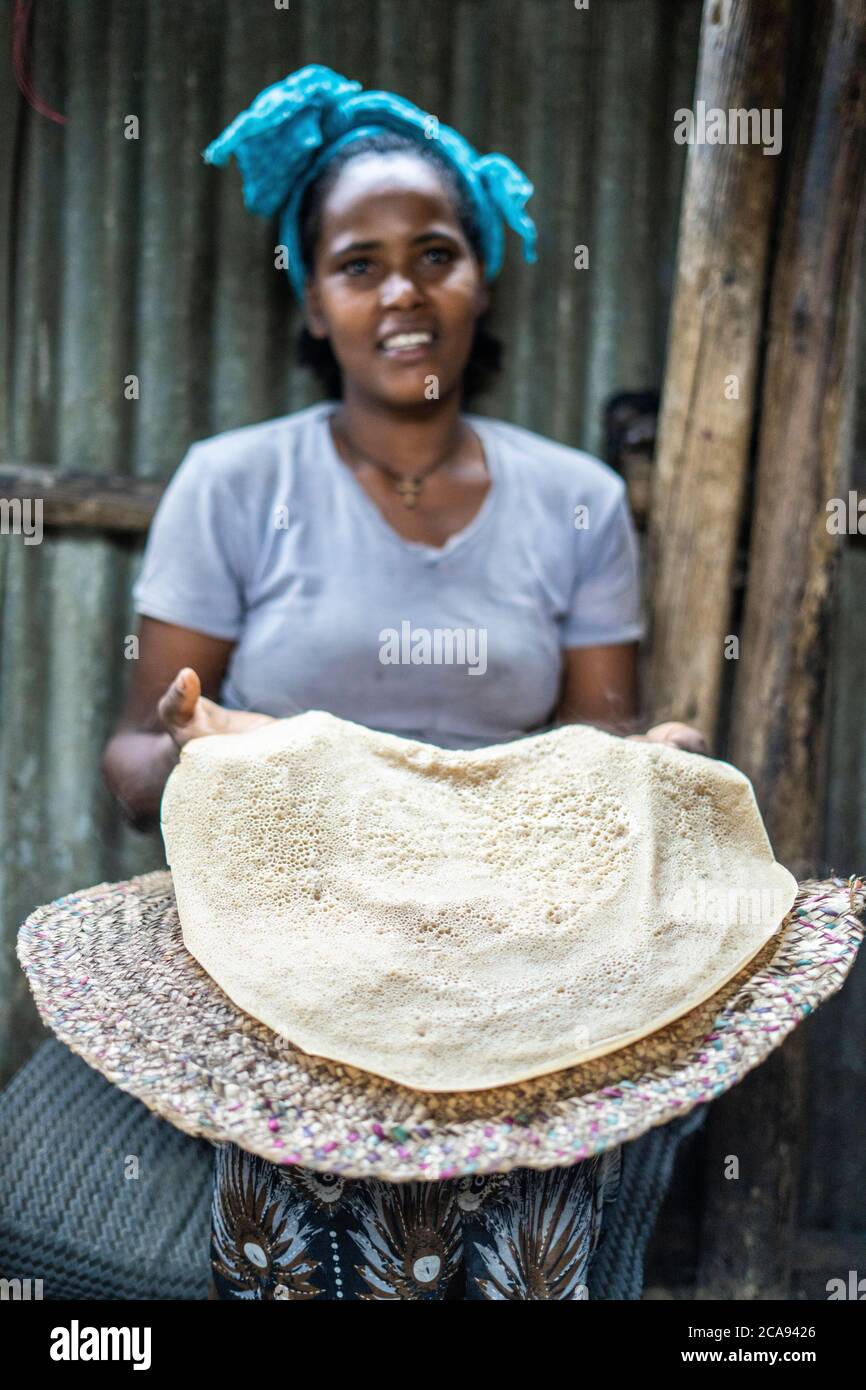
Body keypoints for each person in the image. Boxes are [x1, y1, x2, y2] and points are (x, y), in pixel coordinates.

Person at [101, 66, 706, 1300]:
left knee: (525, 1245)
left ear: (483, 273)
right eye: (356, 262)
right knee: (289, 1247)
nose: (401, 292)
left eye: (434, 253)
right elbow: (123, 772)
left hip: (506, 944)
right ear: (311, 301)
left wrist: (656, 765)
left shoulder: (577, 501)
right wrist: (192, 749)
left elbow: (601, 751)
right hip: (285, 942)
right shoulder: (230, 484)